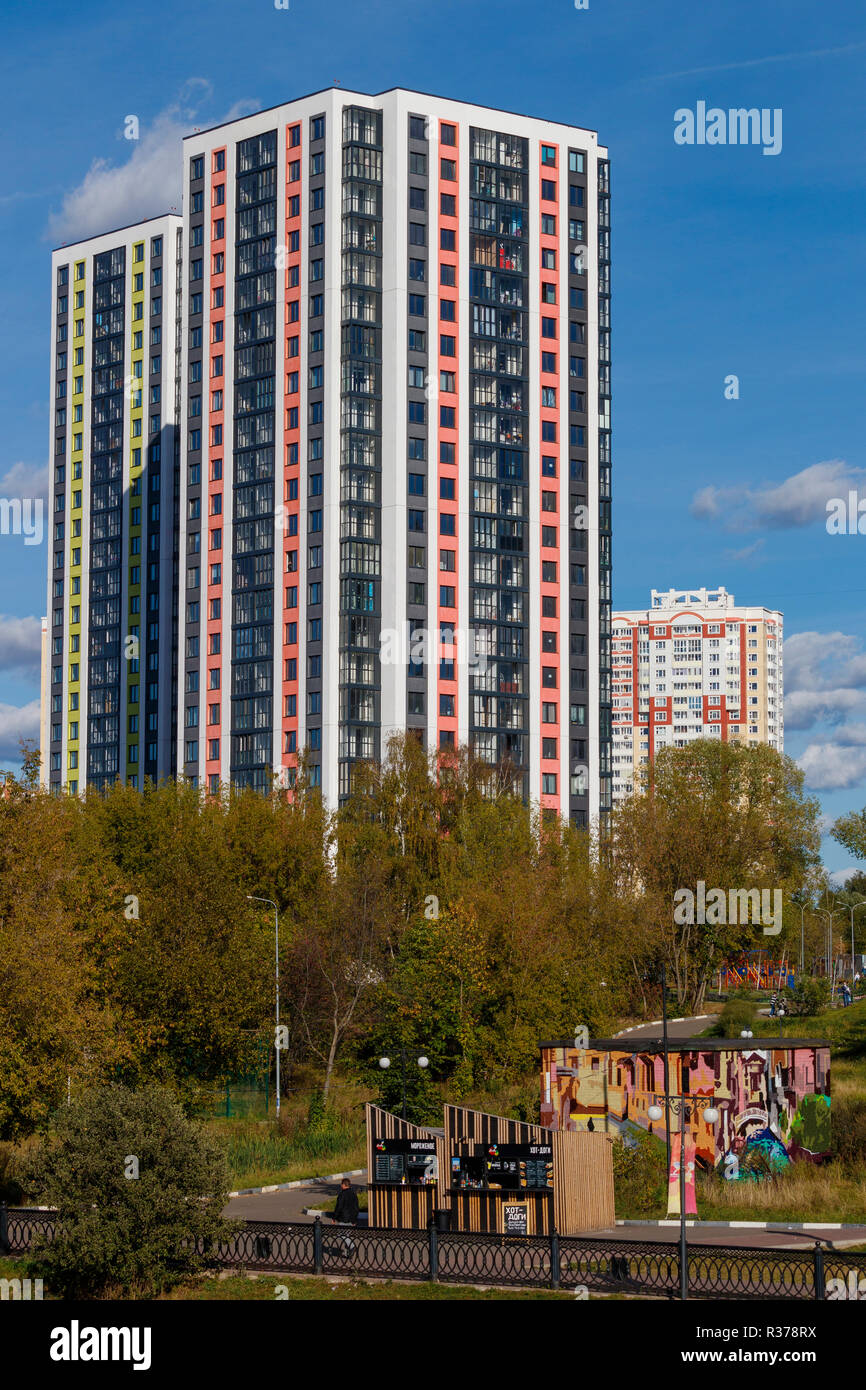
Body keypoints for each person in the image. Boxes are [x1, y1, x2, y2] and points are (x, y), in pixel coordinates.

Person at [331, 1178, 359, 1252]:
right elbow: (356, 1207)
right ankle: (348, 1252)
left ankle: (352, 1247)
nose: (341, 1185)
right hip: (351, 1219)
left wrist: (334, 1217)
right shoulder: (354, 1194)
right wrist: (355, 1220)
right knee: (346, 1236)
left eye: (341, 1184)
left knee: (340, 1235)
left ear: (343, 1185)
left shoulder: (342, 1194)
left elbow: (339, 1207)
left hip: (343, 1218)